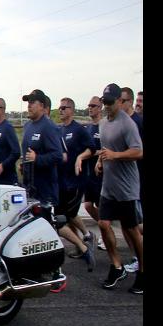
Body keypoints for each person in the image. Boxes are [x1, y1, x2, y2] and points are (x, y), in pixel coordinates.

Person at [95, 83, 143, 294]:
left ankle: (142, 271)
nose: (106, 106)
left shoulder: (128, 124)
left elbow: (138, 151)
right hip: (109, 186)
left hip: (126, 187)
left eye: (110, 102)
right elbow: (105, 148)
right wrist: (100, 161)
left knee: (132, 231)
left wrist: (116, 156)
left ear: (120, 102)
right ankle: (117, 266)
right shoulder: (103, 123)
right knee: (103, 224)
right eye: (104, 102)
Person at [56, 97, 95, 271]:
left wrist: (80, 157)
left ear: (71, 109)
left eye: (64, 107)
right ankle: (85, 239)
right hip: (63, 180)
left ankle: (85, 242)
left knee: (64, 215)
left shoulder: (79, 129)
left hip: (77, 179)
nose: (61, 110)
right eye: (60, 107)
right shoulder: (60, 129)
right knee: (69, 215)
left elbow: (91, 148)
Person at [20, 89, 62, 206]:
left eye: (33, 102)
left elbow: (58, 155)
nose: (29, 105)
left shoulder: (48, 127)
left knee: (48, 223)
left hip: (45, 191)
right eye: (28, 102)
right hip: (29, 189)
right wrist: (24, 165)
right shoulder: (27, 126)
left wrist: (37, 159)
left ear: (42, 106)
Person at [120, 86, 144, 272]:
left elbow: (138, 151)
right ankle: (137, 257)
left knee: (133, 225)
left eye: (121, 100)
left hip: (137, 180)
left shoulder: (137, 122)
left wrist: (115, 155)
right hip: (126, 182)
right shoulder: (121, 122)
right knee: (128, 224)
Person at [75, 96, 104, 250]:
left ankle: (106, 233)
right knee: (87, 205)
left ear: (100, 107)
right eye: (89, 105)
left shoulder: (104, 126)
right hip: (89, 174)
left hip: (101, 174)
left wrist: (94, 153)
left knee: (101, 206)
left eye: (93, 105)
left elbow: (106, 149)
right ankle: (103, 230)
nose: (90, 108)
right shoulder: (88, 128)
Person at [0, 98, 20, 186]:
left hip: (8, 181)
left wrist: (3, 165)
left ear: (2, 110)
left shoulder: (7, 128)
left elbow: (16, 152)